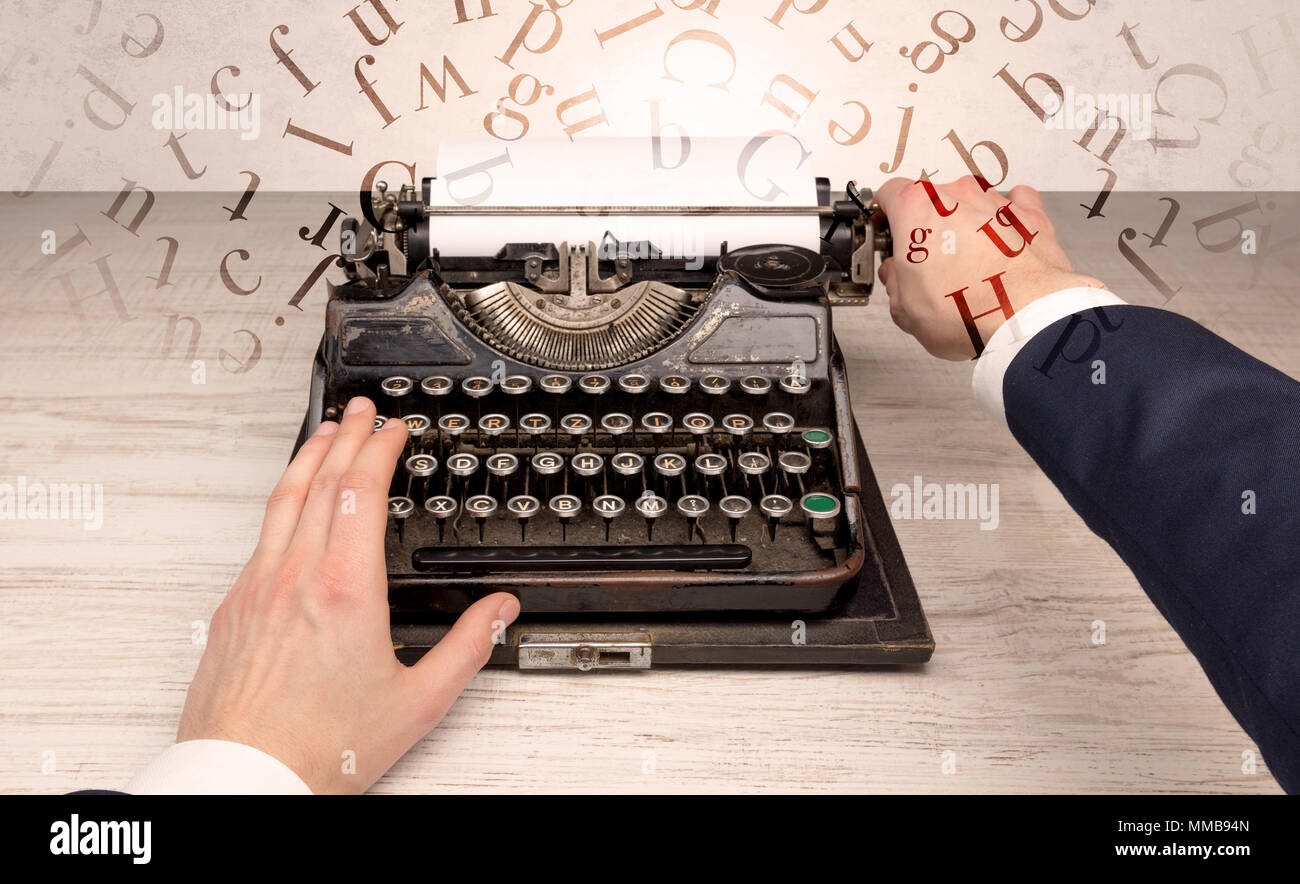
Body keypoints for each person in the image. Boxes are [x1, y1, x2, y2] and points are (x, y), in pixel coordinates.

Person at [125, 176, 1299, 794]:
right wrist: (1026, 312)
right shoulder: (399, 268)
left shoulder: (775, 295)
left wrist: (230, 771)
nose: (580, 290)